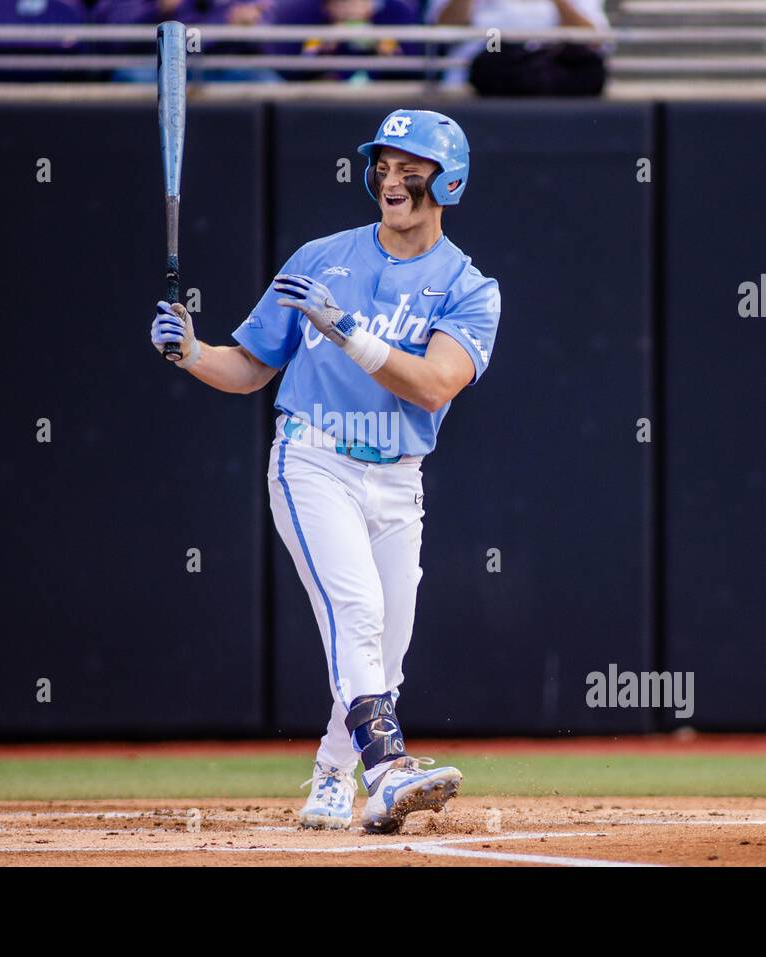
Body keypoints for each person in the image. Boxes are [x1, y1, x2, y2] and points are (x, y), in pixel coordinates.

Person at [150, 109, 501, 833]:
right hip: (313, 458)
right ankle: (390, 766)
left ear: (449, 179)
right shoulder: (319, 256)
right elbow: (249, 367)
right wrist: (190, 350)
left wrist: (349, 333)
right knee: (357, 613)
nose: (390, 177)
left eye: (410, 167)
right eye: (383, 163)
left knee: (388, 653)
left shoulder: (472, 287)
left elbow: (435, 383)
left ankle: (333, 773)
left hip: (399, 476)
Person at [428, 0, 609, 96]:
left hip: (550, 81)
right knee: (494, 54)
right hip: (474, 82)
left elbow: (594, 39)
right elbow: (442, 29)